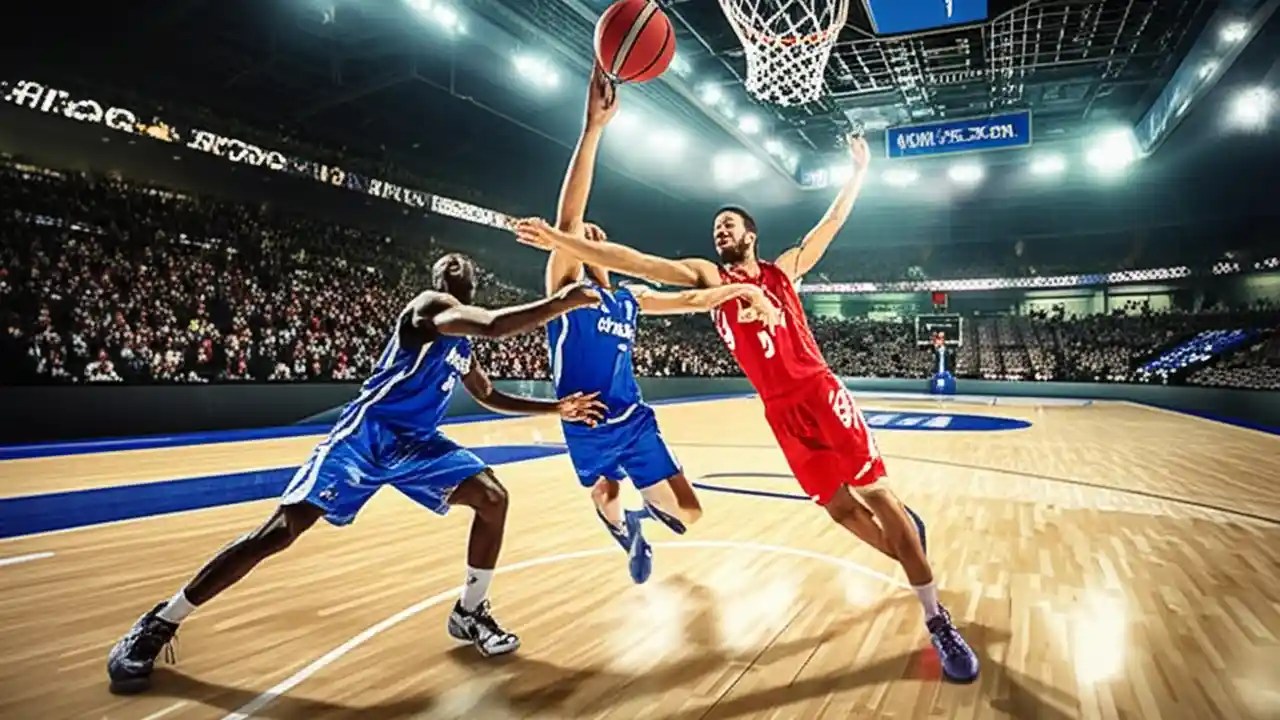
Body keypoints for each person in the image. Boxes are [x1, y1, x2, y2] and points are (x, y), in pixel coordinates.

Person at [512, 134, 981, 683]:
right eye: (716, 228)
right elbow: (637, 260)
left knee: (875, 493)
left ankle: (937, 618)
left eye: (730, 224)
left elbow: (828, 226)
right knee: (840, 510)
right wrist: (560, 239)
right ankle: (909, 549)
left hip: (820, 392)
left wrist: (859, 172)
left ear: (751, 235)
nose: (721, 231)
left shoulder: (785, 272)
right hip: (779, 411)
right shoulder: (710, 278)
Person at [107, 253, 607, 694]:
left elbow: (489, 396)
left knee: (492, 497)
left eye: (461, 263)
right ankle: (160, 621)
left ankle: (469, 611)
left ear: (474, 279)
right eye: (445, 264)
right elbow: (494, 325)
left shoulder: (460, 348)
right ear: (438, 279)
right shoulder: (429, 307)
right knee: (280, 532)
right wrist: (565, 299)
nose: (452, 264)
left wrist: (554, 408)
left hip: (415, 445)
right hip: (365, 436)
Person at [543, 66, 782, 583]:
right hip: (584, 421)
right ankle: (625, 526)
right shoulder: (569, 294)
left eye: (596, 237)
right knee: (604, 494)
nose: (590, 239)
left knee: (689, 514)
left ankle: (640, 514)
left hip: (633, 420)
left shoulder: (629, 300)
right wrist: (593, 130)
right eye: (585, 240)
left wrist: (742, 288)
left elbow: (695, 299)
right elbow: (567, 224)